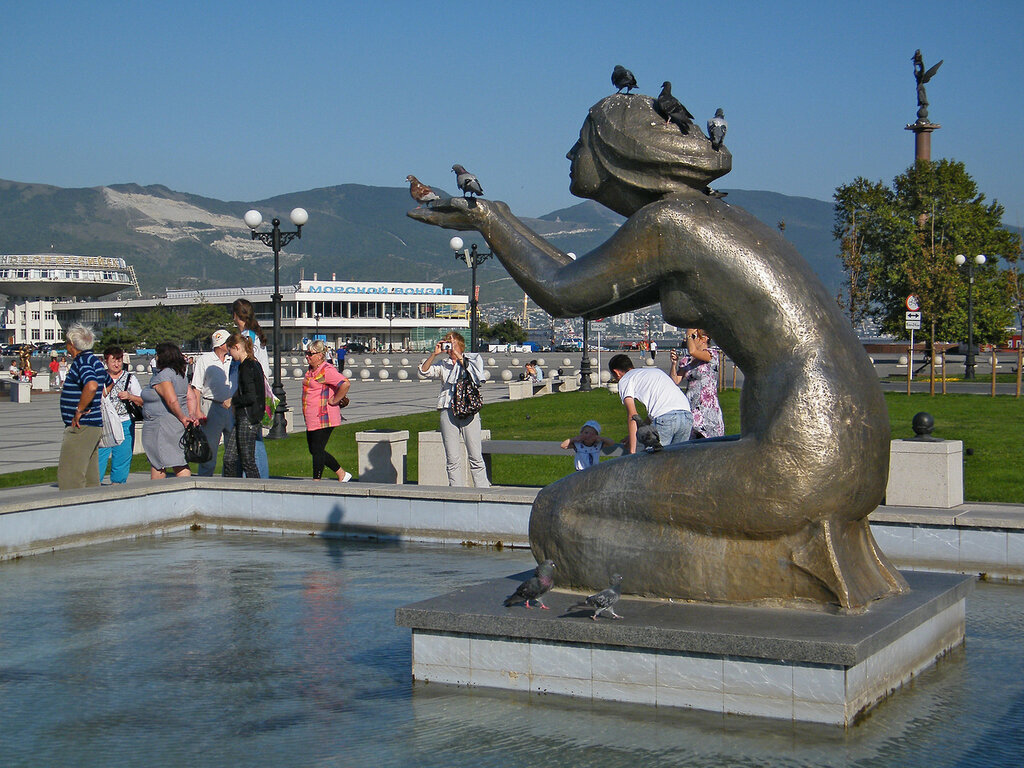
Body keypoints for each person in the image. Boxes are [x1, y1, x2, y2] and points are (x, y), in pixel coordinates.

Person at [407, 92, 904, 607]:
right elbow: (581, 282)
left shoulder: (670, 224)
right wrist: (499, 217)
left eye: (580, 144)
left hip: (799, 461)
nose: (568, 157)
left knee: (557, 512)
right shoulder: (709, 218)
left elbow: (560, 292)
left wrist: (489, 220)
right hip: (856, 456)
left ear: (615, 153)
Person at [418, 332, 490, 488]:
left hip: (468, 408)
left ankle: (483, 489)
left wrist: (458, 355)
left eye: (452, 344)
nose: (449, 348)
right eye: (447, 344)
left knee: (475, 455)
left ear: (460, 345)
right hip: (448, 408)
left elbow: (477, 375)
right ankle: (456, 491)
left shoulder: (472, 359)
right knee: (452, 458)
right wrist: (434, 355)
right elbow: (423, 372)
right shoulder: (444, 364)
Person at [608, 354, 692, 453]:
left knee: (653, 462)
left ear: (616, 372)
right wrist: (633, 436)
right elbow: (658, 409)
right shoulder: (655, 372)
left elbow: (632, 416)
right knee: (675, 461)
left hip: (665, 419)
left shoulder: (625, 379)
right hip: (687, 416)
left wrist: (632, 451)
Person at [57, 324, 106, 490]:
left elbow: (91, 385)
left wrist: (79, 410)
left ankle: (71, 512)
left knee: (71, 476)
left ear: (72, 344)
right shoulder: (95, 361)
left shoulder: (81, 362)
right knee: (90, 477)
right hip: (93, 424)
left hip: (81, 425)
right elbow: (107, 382)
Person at [141, 342, 196, 479]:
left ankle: (158, 493)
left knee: (158, 462)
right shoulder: (180, 374)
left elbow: (171, 400)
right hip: (174, 423)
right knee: (178, 460)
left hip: (162, 425)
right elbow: (191, 397)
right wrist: (190, 414)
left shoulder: (164, 376)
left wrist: (182, 417)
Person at [301, 339, 352, 482]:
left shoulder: (326, 370)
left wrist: (335, 400)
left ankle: (316, 481)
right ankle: (342, 473)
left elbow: (345, 383)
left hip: (324, 416)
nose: (307, 356)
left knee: (317, 450)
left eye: (310, 354)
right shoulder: (312, 370)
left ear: (320, 355)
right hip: (312, 416)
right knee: (314, 449)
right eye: (306, 353)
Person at [188, 329, 237, 476]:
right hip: (212, 406)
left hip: (232, 407)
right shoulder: (205, 360)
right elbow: (196, 387)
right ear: (220, 344)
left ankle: (231, 479)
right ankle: (205, 480)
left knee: (233, 449)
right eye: (227, 342)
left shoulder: (233, 359)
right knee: (210, 447)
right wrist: (197, 411)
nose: (230, 345)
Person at [232, 298, 270, 478]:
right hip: (259, 391)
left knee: (251, 444)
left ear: (235, 316)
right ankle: (259, 478)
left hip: (250, 395)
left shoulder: (247, 337)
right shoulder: (256, 334)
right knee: (255, 439)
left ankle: (256, 481)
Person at [97, 346, 143, 484]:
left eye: (119, 360)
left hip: (125, 421)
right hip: (104, 422)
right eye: (113, 361)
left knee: (122, 456)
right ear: (106, 361)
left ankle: (118, 484)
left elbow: (141, 400)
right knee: (100, 455)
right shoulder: (99, 377)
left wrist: (130, 396)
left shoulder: (130, 378)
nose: (116, 364)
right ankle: (94, 483)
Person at [670, 329, 725, 439]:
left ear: (704, 339)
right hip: (691, 404)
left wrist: (689, 333)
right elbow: (675, 380)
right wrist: (674, 364)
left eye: (694, 337)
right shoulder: (687, 360)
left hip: (707, 405)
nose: (689, 340)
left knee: (709, 439)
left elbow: (693, 351)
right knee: (691, 441)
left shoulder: (711, 355)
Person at [222, 334, 263, 478]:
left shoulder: (246, 367)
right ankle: (232, 491)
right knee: (229, 458)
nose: (229, 355)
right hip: (244, 417)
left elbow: (251, 396)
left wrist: (232, 402)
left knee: (247, 461)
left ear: (237, 347)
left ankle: (257, 493)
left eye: (230, 350)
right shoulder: (253, 364)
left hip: (248, 417)